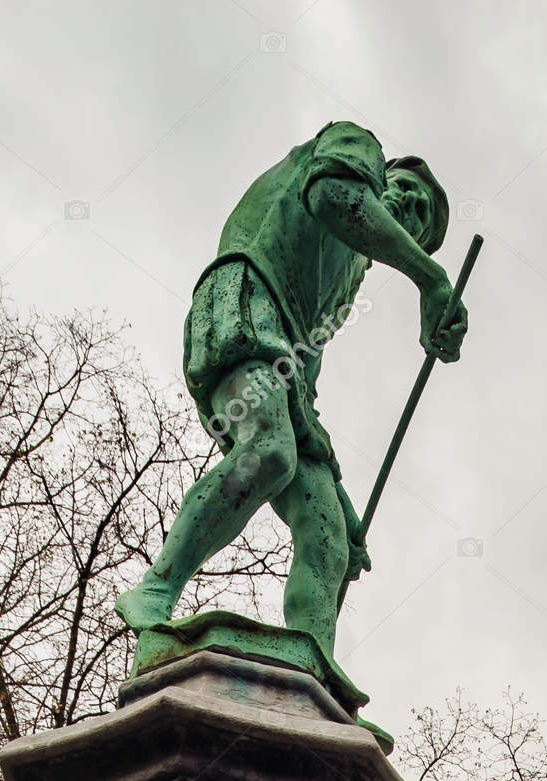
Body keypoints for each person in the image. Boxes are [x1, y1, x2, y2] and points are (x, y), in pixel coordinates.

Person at [115, 120, 467, 659]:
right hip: (245, 304)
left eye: (420, 219)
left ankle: (313, 661)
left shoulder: (348, 278)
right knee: (269, 451)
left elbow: (306, 377)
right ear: (386, 174)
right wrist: (432, 279)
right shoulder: (356, 149)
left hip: (286, 366)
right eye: (408, 192)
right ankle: (155, 591)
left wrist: (342, 495)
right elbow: (333, 196)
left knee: (328, 531)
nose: (408, 206)